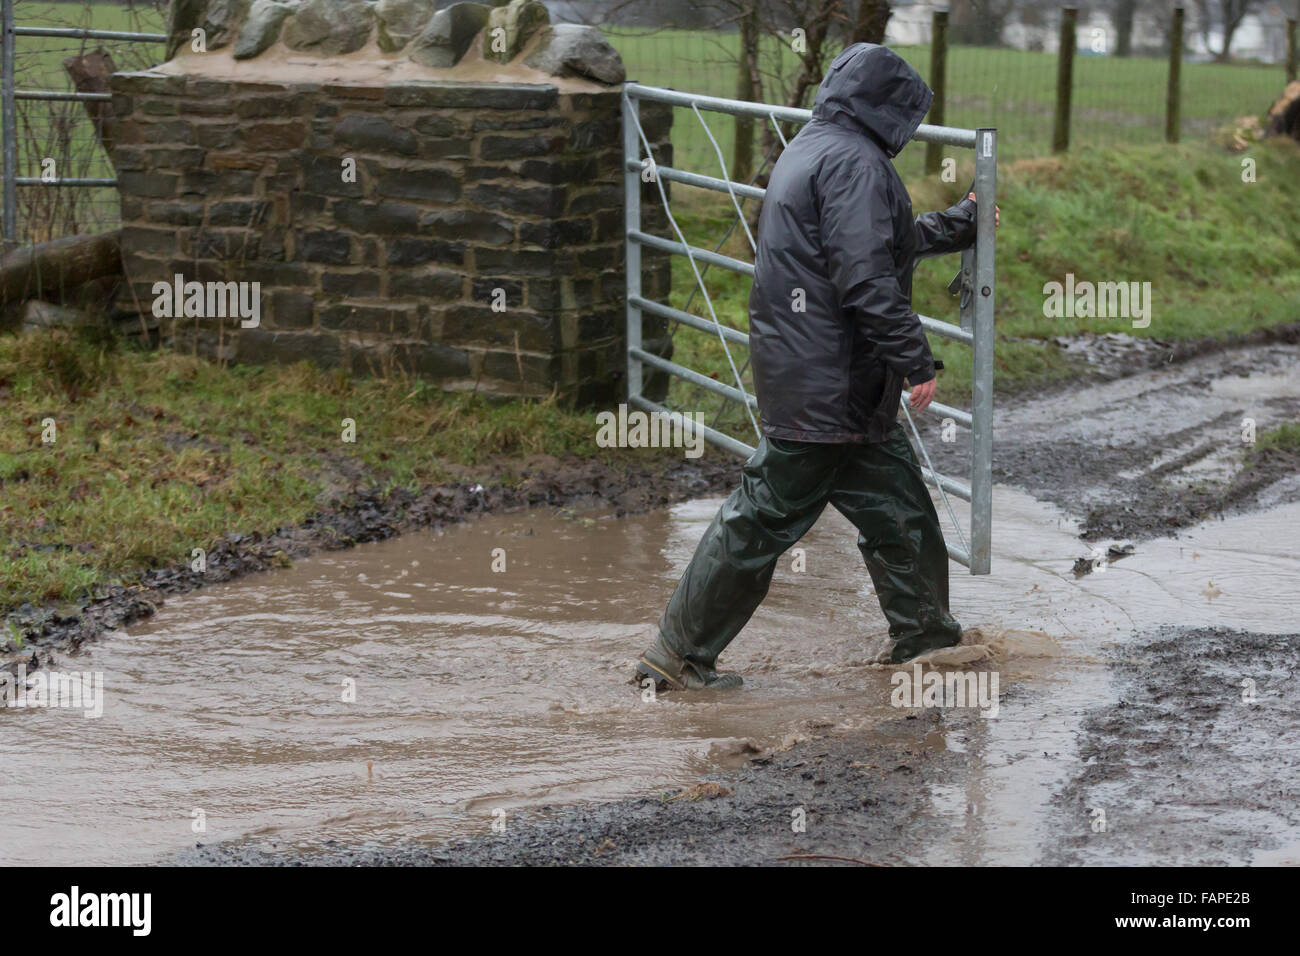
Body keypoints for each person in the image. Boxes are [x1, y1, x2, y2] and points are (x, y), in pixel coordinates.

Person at [634, 42, 998, 692]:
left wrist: (960, 223)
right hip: (831, 389)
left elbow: (881, 239)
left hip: (823, 384)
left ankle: (928, 647)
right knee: (760, 521)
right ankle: (677, 657)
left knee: (901, 515)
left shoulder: (814, 148)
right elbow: (863, 278)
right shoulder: (856, 164)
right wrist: (915, 360)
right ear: (887, 108)